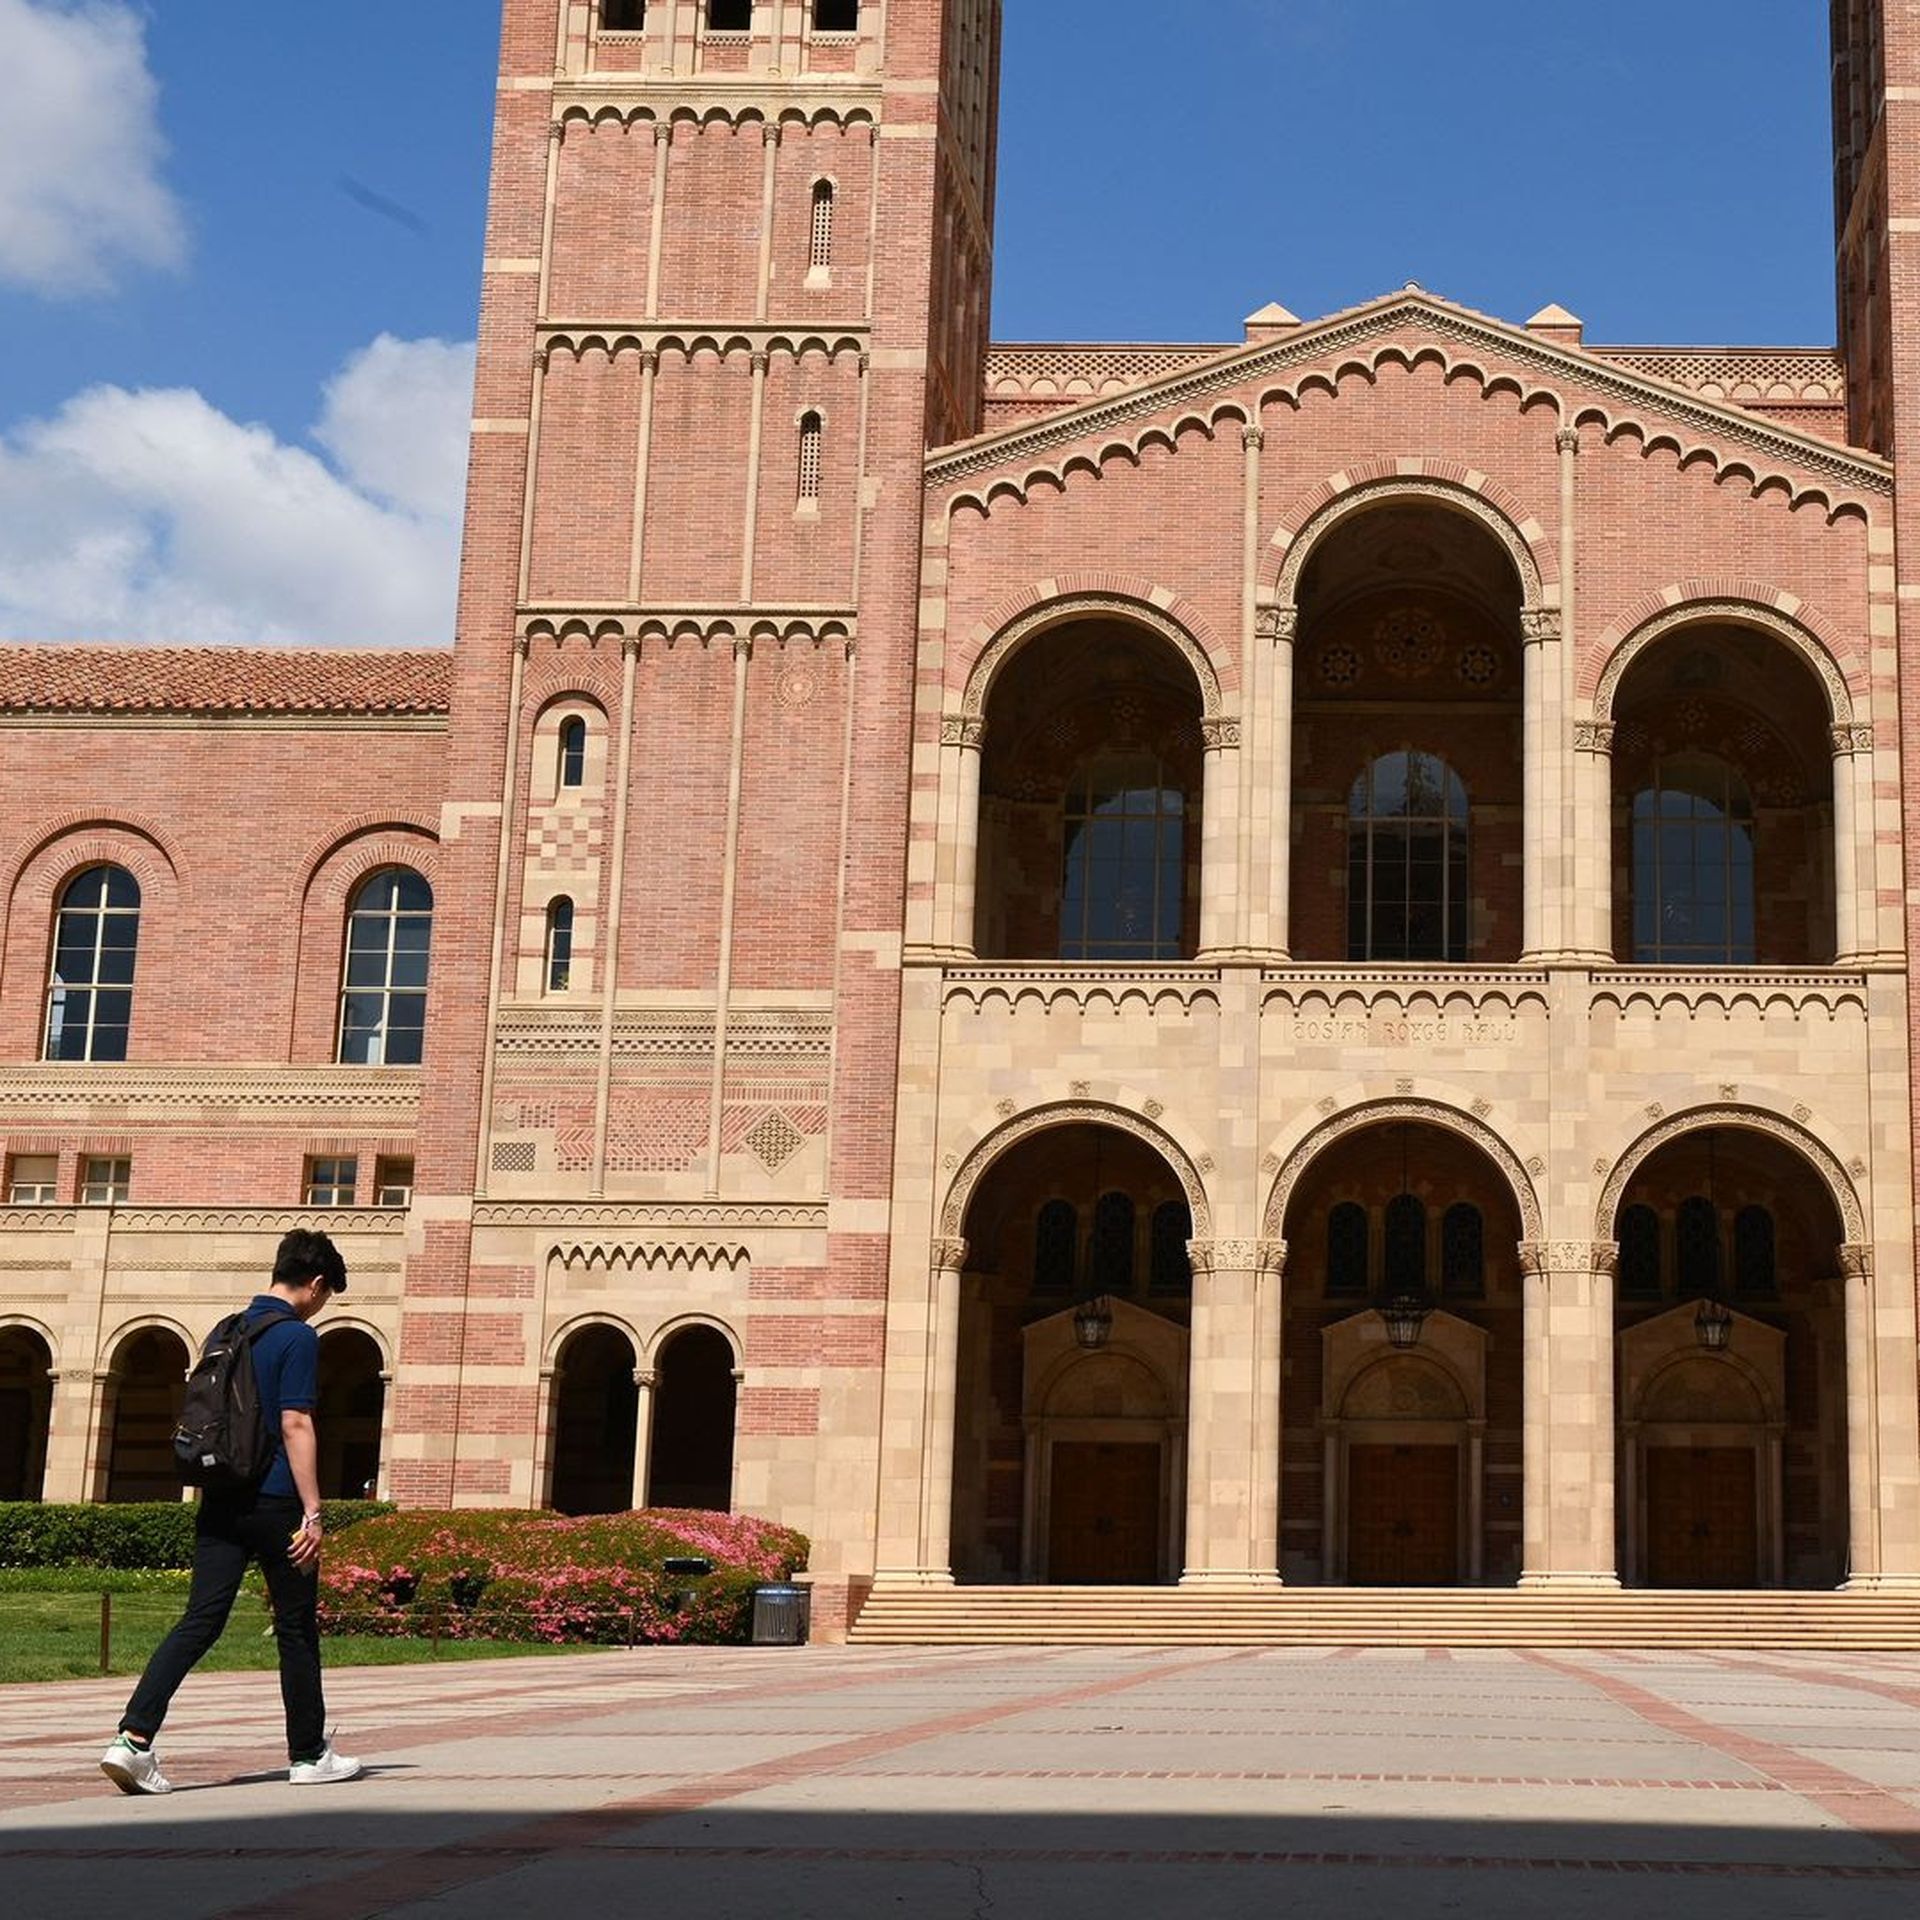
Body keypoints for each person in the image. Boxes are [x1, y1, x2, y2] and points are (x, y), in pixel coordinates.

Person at [100, 1228, 364, 1793]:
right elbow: (296, 1422)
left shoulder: (227, 1329)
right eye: (326, 1296)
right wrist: (314, 1512)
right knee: (295, 1628)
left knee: (200, 1619)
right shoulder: (297, 1337)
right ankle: (308, 1754)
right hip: (274, 1503)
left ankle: (132, 1740)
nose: (321, 1306)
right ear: (315, 1284)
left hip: (219, 1496)